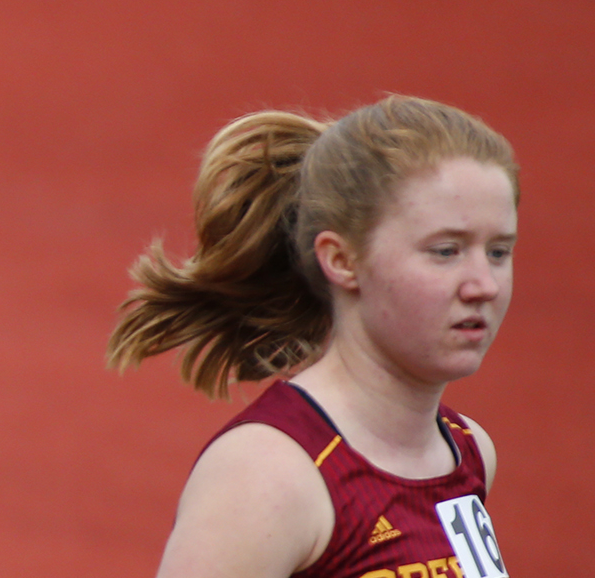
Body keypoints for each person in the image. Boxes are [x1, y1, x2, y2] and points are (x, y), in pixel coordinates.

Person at [107, 95, 517, 578]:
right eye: (445, 251)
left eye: (498, 251)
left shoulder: (467, 450)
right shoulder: (270, 476)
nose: (483, 286)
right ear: (341, 261)